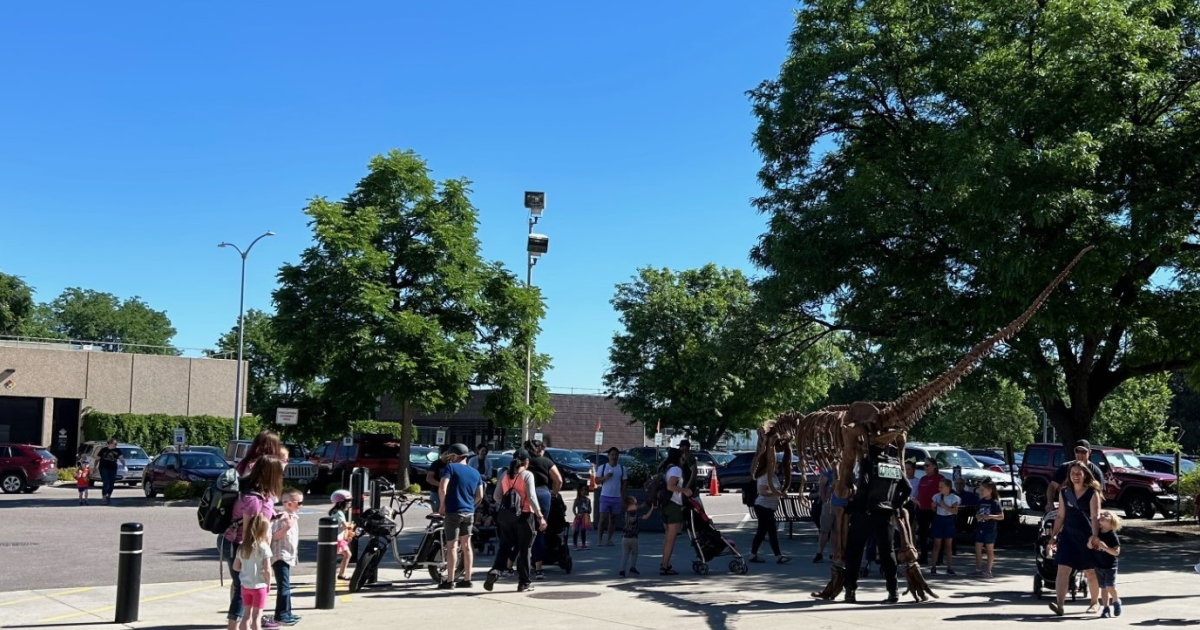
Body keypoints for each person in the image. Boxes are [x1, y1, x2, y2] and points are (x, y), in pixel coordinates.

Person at [841, 446, 910, 604]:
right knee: (887, 553)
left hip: (865, 512)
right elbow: (907, 488)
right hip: (885, 513)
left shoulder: (868, 462)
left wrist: (853, 506)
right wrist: (896, 505)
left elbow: (864, 487)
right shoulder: (894, 464)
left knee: (854, 551)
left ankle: (850, 590)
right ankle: (893, 591)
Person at [223, 456, 284, 630]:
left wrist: (273, 516)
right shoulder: (253, 499)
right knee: (242, 588)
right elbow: (250, 531)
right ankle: (233, 627)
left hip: (244, 545)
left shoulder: (262, 496)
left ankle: (239, 625)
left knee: (242, 588)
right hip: (242, 544)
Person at [484, 449, 546, 593]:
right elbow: (531, 496)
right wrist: (540, 515)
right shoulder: (527, 475)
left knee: (504, 547)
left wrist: (510, 501)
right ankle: (524, 582)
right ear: (527, 462)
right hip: (524, 515)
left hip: (507, 516)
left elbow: (496, 496)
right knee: (525, 550)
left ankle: (495, 571)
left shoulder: (505, 475)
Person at [1048, 462, 1102, 616]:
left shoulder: (1092, 493)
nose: (1076, 476)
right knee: (1062, 569)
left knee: (1090, 571)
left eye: (1079, 473)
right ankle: (1059, 605)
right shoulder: (1064, 492)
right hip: (1068, 536)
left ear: (1085, 474)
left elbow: (1095, 516)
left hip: (1086, 536)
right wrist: (1053, 536)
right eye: (1073, 473)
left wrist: (1095, 536)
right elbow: (1060, 516)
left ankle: (1094, 602)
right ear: (1069, 476)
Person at [438, 443, 484, 590]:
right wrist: (471, 505)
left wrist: (442, 505)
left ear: (455, 456)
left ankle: (450, 580)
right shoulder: (475, 473)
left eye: (450, 456)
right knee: (466, 546)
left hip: (453, 511)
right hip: (469, 512)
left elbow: (442, 487)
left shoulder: (450, 468)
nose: (449, 459)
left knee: (452, 546)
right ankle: (467, 579)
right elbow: (480, 495)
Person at [525, 440, 563, 581]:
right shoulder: (546, 462)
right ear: (541, 450)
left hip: (526, 495)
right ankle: (539, 569)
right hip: (542, 494)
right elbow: (558, 480)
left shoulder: (525, 461)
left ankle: (517, 565)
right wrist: (554, 494)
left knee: (524, 531)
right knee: (540, 531)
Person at [749, 450, 791, 564]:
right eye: (775, 463)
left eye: (777, 463)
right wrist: (777, 493)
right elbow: (763, 491)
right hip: (763, 507)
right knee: (769, 532)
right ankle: (778, 556)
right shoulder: (764, 475)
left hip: (768, 508)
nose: (777, 465)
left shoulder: (773, 476)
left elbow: (775, 489)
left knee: (763, 532)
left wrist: (781, 492)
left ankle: (754, 555)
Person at [234, 514, 273, 630]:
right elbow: (267, 569)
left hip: (245, 585)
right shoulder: (264, 547)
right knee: (256, 616)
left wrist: (246, 569)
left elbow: (236, 567)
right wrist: (269, 583)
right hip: (259, 586)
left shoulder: (242, 547)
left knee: (246, 615)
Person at [270, 489, 302, 626]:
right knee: (283, 587)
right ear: (289, 504)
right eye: (299, 502)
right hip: (280, 556)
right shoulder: (282, 517)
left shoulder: (293, 516)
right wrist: (287, 527)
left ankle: (287, 612)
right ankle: (281, 615)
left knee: (286, 586)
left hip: (288, 555)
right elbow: (273, 536)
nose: (301, 505)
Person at [659, 448, 692, 576]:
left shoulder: (666, 468)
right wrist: (684, 490)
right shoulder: (676, 470)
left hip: (665, 504)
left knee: (667, 537)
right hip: (673, 505)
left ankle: (664, 563)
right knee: (671, 538)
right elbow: (670, 486)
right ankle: (665, 566)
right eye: (683, 457)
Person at [1047, 440, 1105, 509]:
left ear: (1089, 452)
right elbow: (1052, 486)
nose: (1080, 455)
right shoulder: (1065, 467)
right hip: (1066, 508)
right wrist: (1050, 503)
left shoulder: (1096, 472)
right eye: (1078, 451)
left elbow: (1099, 495)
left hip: (1086, 510)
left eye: (1083, 452)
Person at [595, 447, 627, 546]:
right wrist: (606, 477)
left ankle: (609, 539)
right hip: (605, 495)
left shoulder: (622, 468)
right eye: (612, 455)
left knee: (613, 518)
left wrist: (623, 495)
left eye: (616, 455)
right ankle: (599, 540)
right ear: (608, 456)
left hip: (616, 497)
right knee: (602, 518)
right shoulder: (603, 467)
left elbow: (624, 481)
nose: (614, 457)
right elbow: (596, 481)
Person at [1093, 511, 1122, 618]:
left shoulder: (1112, 535)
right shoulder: (1097, 533)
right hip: (1098, 564)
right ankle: (1106, 608)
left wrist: (1105, 547)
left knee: (1110, 586)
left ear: (1112, 522)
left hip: (1110, 565)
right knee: (1103, 588)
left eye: (1106, 515)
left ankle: (1116, 601)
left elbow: (1116, 552)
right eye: (1102, 515)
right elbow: (1090, 546)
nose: (1103, 516)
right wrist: (1090, 542)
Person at [971, 481, 1002, 578]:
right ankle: (978, 569)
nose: (981, 491)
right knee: (977, 547)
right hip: (981, 527)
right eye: (981, 489)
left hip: (990, 528)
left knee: (989, 549)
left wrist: (990, 516)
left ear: (990, 490)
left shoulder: (995, 502)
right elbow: (976, 513)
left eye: (983, 490)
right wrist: (978, 517)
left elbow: (1001, 516)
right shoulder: (980, 501)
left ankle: (988, 570)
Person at [929, 478, 960, 575]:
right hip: (939, 519)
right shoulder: (936, 496)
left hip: (948, 520)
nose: (939, 488)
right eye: (939, 487)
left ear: (948, 488)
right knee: (936, 544)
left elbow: (955, 511)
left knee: (948, 545)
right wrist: (933, 506)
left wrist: (944, 506)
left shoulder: (954, 498)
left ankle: (949, 567)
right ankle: (933, 566)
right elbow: (933, 509)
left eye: (942, 487)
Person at [914, 460, 942, 563]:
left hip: (935, 510)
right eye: (924, 466)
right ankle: (924, 557)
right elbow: (919, 493)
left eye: (927, 465)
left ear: (934, 466)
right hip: (922, 509)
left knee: (936, 534)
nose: (925, 467)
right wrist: (917, 502)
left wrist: (938, 504)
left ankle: (938, 558)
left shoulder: (939, 478)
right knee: (922, 534)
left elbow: (943, 493)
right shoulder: (923, 479)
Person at [618, 496, 652, 577]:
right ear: (630, 505)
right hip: (633, 538)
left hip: (624, 537)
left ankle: (622, 570)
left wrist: (641, 506)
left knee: (625, 554)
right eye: (635, 504)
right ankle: (632, 567)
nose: (637, 505)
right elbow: (646, 517)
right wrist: (652, 509)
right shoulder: (636, 515)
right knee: (635, 553)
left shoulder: (624, 513)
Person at [329, 489, 353, 581]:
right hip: (338, 539)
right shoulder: (339, 513)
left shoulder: (335, 511)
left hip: (337, 537)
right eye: (348, 501)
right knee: (347, 555)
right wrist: (351, 526)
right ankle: (341, 574)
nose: (350, 503)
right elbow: (345, 525)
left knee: (343, 555)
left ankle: (339, 573)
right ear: (341, 502)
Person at [96, 439, 124, 505]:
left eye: (116, 444)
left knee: (111, 483)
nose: (116, 445)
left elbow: (121, 458)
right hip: (103, 468)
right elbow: (97, 459)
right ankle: (104, 498)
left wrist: (124, 465)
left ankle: (109, 495)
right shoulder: (103, 450)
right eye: (115, 444)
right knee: (106, 482)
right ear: (110, 443)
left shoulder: (117, 450)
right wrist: (94, 467)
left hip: (113, 468)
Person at [572, 485, 592, 550]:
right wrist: (576, 515)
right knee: (576, 531)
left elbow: (590, 508)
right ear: (579, 491)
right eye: (582, 490)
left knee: (583, 531)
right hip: (579, 516)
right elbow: (574, 508)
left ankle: (583, 544)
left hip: (585, 517)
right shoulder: (577, 500)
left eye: (585, 490)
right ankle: (575, 544)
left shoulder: (588, 500)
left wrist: (589, 511)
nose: (584, 492)